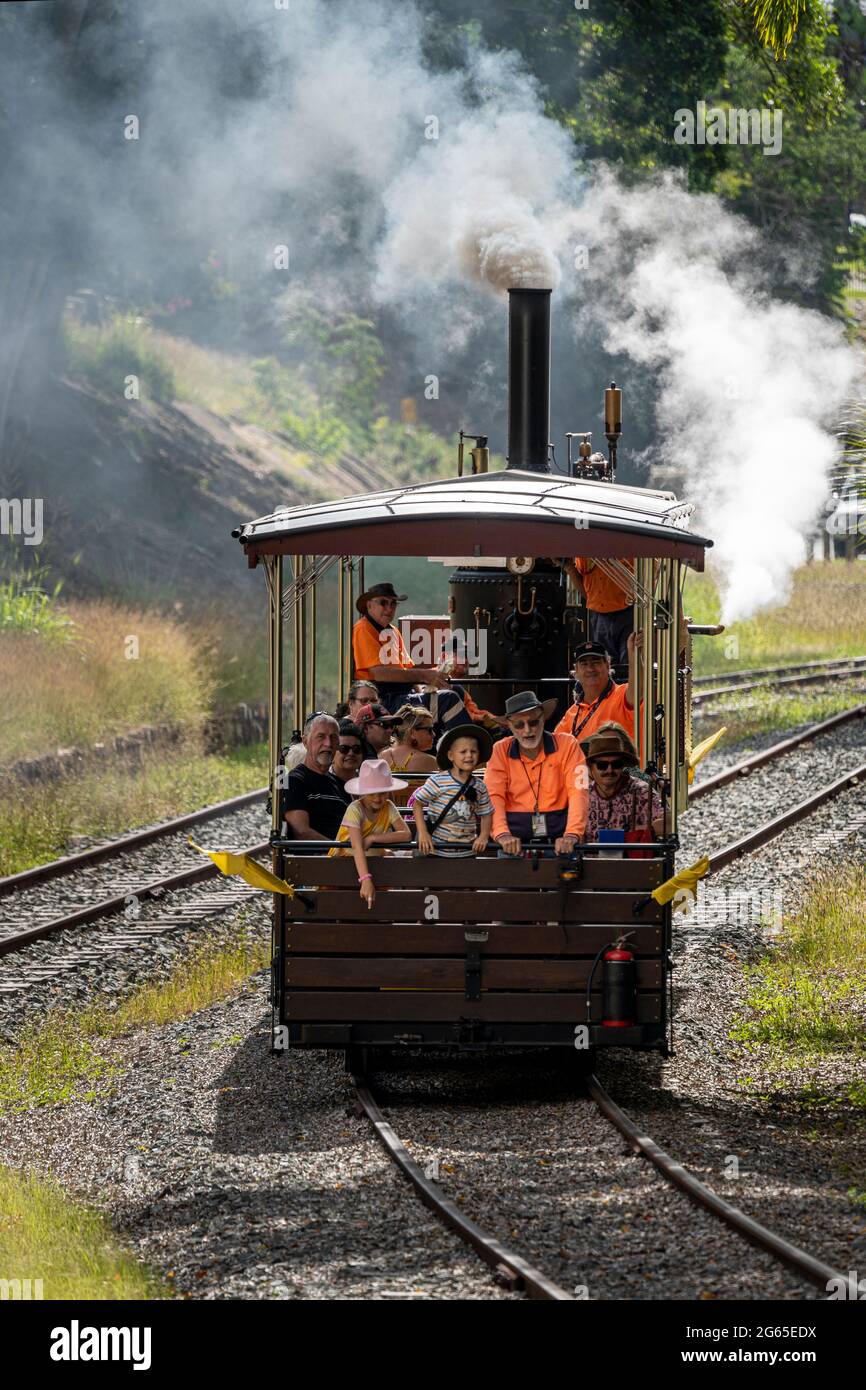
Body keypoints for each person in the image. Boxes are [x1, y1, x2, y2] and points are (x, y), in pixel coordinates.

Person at [484, 691, 587, 856]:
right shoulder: (500, 750)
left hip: (560, 840)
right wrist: (502, 835)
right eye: (519, 725)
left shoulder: (568, 744)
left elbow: (579, 792)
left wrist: (572, 834)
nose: (527, 730)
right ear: (509, 726)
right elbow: (494, 796)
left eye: (533, 722)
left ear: (543, 719)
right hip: (513, 842)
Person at [352, 582, 450, 711]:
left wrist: (422, 691)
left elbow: (407, 669)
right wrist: (424, 675)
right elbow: (379, 674)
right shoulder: (363, 629)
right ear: (369, 605)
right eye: (383, 603)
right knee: (448, 699)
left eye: (393, 603)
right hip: (380, 700)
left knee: (455, 690)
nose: (389, 608)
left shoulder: (393, 631)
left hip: (402, 696)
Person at [329, 758, 413, 908]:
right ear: (362, 792)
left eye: (382, 793)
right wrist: (365, 879)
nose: (377, 798)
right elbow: (356, 847)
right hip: (345, 865)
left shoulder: (388, 807)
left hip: (375, 862)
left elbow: (406, 834)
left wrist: (374, 837)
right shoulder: (355, 809)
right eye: (371, 793)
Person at [413, 724, 494, 858]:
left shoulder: (480, 786)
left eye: (473, 751)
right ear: (451, 755)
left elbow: (486, 813)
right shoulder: (437, 781)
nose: (469, 755)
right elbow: (418, 803)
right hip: (437, 849)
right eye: (463, 752)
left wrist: (483, 836)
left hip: (466, 851)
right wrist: (422, 832)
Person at [580, 723, 663, 844]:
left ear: (623, 764)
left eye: (616, 764)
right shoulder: (582, 796)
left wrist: (637, 831)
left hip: (631, 862)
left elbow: (669, 823)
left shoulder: (642, 791)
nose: (609, 770)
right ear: (590, 767)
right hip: (591, 862)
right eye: (602, 765)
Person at [554, 633, 641, 745]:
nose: (590, 668)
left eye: (596, 662)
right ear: (576, 670)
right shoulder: (571, 713)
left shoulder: (622, 695)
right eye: (584, 664)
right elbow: (556, 749)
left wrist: (635, 655)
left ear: (608, 665)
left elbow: (639, 688)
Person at [282, 713, 349, 842]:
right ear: (305, 741)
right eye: (321, 737)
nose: (328, 744)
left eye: (333, 738)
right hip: (319, 858)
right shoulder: (295, 781)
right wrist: (339, 850)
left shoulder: (340, 785)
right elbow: (302, 832)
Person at [564, 556, 634, 672]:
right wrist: (569, 567)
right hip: (600, 616)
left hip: (628, 613)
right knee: (605, 668)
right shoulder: (582, 554)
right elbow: (586, 587)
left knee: (629, 667)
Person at [382, 704, 438, 774]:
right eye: (429, 729)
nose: (434, 734)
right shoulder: (430, 761)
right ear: (412, 732)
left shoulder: (382, 756)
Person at [330, 720, 364, 788]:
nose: (351, 753)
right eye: (344, 749)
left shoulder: (369, 783)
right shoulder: (320, 783)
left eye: (356, 748)